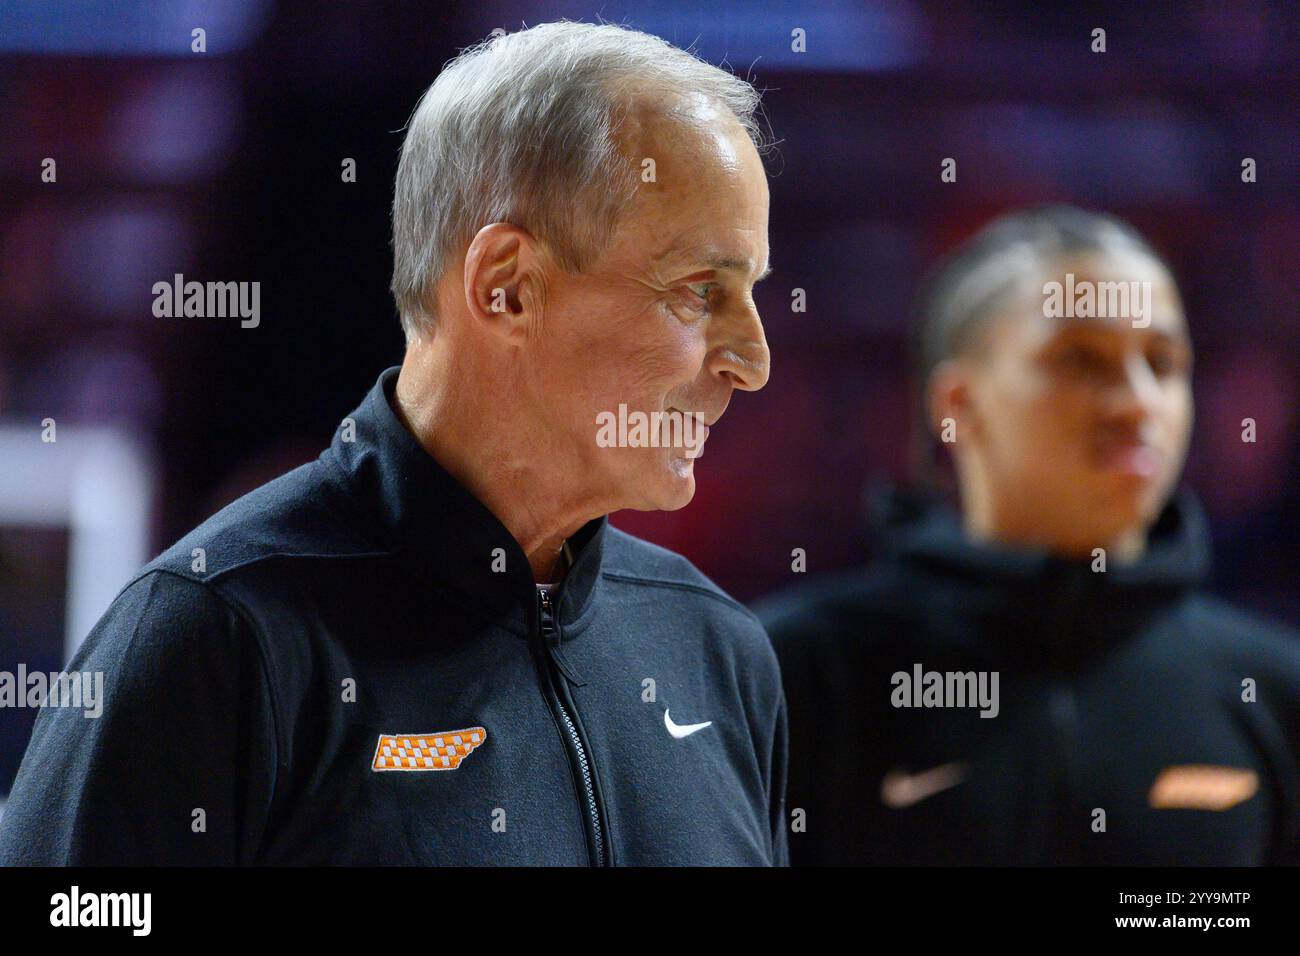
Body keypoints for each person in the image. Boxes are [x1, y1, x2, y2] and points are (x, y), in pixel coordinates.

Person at [0, 21, 785, 866]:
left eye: (752, 292)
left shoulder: (719, 652)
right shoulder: (212, 638)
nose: (755, 362)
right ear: (507, 288)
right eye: (698, 292)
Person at [760, 205, 1300, 865]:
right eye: (1080, 361)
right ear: (958, 405)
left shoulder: (1274, 690)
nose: (1137, 401)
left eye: (1162, 363)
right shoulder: (792, 672)